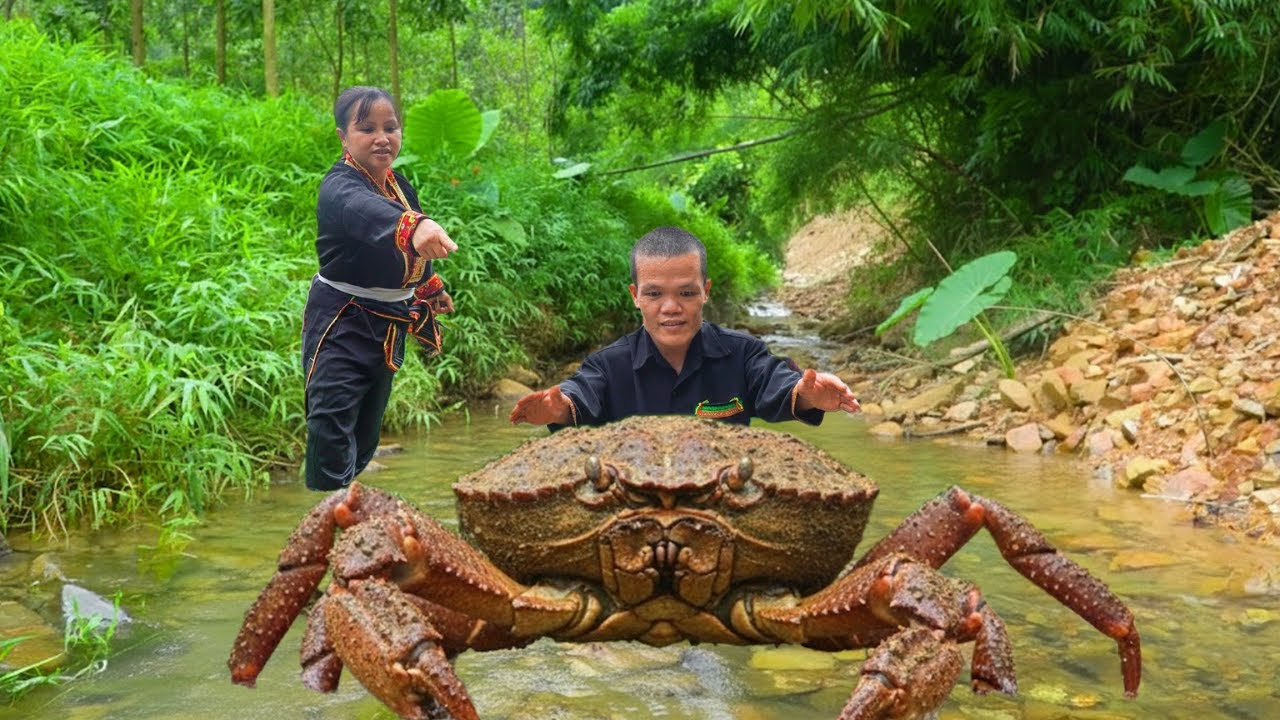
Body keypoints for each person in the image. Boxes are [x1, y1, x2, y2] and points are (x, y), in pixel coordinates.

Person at [509, 226, 860, 429]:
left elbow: (778, 384)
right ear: (635, 296)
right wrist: (555, 409)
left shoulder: (743, 354)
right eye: (655, 294)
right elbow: (578, 396)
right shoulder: (608, 366)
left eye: (687, 293)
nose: (671, 308)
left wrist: (809, 394)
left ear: (705, 292)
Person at [302, 86, 458, 491]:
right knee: (330, 425)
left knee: (365, 436)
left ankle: (347, 514)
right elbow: (370, 214)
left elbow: (406, 250)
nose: (382, 137)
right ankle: (326, 519)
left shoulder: (400, 185)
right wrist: (417, 225)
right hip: (342, 321)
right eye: (367, 128)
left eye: (390, 127)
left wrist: (429, 289)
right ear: (343, 137)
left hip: (387, 326)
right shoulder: (339, 188)